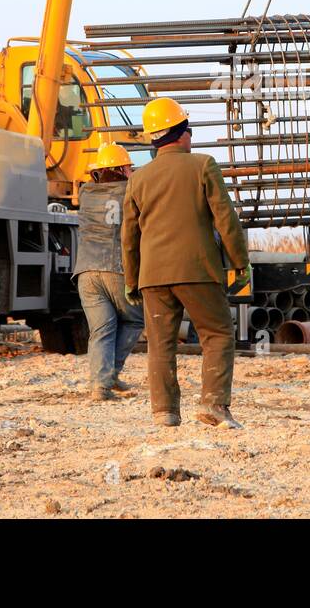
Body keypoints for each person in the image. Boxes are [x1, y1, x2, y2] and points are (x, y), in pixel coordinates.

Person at [122, 98, 250, 429]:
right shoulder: (203, 165)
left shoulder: (138, 179)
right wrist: (240, 261)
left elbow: (129, 236)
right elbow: (226, 219)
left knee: (160, 344)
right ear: (182, 134)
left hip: (152, 277)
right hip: (198, 270)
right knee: (218, 333)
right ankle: (214, 405)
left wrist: (132, 280)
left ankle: (164, 412)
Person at [75, 143, 144, 402]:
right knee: (134, 319)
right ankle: (111, 373)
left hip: (86, 272)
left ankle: (100, 385)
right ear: (118, 169)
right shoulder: (132, 191)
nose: (131, 171)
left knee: (102, 328)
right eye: (127, 167)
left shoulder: (85, 193)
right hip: (118, 269)